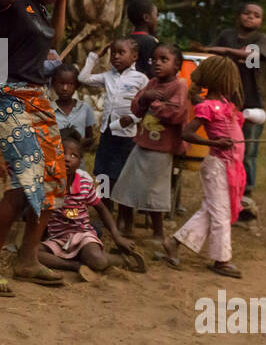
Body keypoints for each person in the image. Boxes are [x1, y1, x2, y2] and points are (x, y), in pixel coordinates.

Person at [0, 0, 78, 296]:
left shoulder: (38, 6)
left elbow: (54, 41)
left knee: (52, 180)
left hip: (36, 96)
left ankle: (28, 259)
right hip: (9, 96)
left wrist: (62, 0)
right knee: (22, 187)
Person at [165, 56, 246, 278]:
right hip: (217, 166)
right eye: (231, 80)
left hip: (229, 167)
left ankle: (174, 243)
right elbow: (187, 133)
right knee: (220, 213)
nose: (235, 84)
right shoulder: (208, 106)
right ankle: (221, 260)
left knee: (212, 211)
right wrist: (214, 143)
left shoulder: (227, 106)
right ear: (221, 81)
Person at [112, 44, 189, 256]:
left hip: (162, 148)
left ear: (177, 66)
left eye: (164, 59)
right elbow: (136, 105)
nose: (157, 63)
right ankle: (126, 224)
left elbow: (177, 113)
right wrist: (145, 98)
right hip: (143, 142)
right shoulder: (152, 83)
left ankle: (158, 233)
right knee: (127, 182)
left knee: (155, 191)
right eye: (154, 59)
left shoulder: (179, 86)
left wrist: (152, 102)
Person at [38, 128, 137, 279]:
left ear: (80, 162)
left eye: (73, 155)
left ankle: (120, 260)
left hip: (82, 235)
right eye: (62, 153)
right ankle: (75, 265)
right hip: (58, 238)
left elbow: (102, 209)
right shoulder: (47, 184)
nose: (67, 158)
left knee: (98, 261)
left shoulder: (84, 184)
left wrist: (117, 236)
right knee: (32, 254)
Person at [203, 3, 266, 198]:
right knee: (224, 148)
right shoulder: (227, 35)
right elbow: (210, 54)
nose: (250, 17)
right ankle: (224, 189)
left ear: (261, 21)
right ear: (239, 16)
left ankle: (246, 194)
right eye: (246, 13)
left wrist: (226, 51)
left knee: (248, 150)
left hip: (251, 103)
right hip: (225, 103)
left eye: (256, 15)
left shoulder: (259, 39)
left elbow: (254, 57)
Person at [78, 37, 148, 203]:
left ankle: (122, 204)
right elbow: (83, 78)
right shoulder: (107, 76)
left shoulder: (141, 79)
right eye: (112, 53)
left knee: (123, 171)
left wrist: (132, 118)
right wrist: (95, 56)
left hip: (127, 134)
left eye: (121, 52)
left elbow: (146, 106)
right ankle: (104, 202)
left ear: (134, 56)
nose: (115, 56)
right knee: (103, 170)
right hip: (108, 132)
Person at [50, 62, 96, 147]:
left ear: (76, 85)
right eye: (61, 83)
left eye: (70, 84)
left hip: (76, 158)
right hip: (55, 157)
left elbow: (90, 137)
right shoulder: (47, 109)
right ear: (53, 84)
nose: (65, 88)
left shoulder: (85, 108)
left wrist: (79, 142)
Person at [126, 0, 160, 77]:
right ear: (146, 18)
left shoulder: (124, 40)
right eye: (156, 15)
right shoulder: (152, 42)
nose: (157, 19)